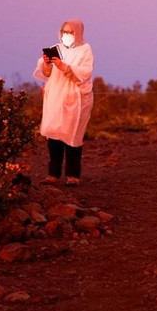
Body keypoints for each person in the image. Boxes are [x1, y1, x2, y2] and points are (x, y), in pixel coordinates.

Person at [33, 19, 94, 187]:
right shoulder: (57, 48)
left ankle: (73, 175)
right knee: (54, 134)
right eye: (64, 32)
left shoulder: (84, 50)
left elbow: (84, 72)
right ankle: (53, 174)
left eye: (71, 32)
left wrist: (64, 66)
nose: (67, 35)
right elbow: (45, 73)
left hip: (75, 99)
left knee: (73, 135)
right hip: (56, 98)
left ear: (78, 33)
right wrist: (47, 63)